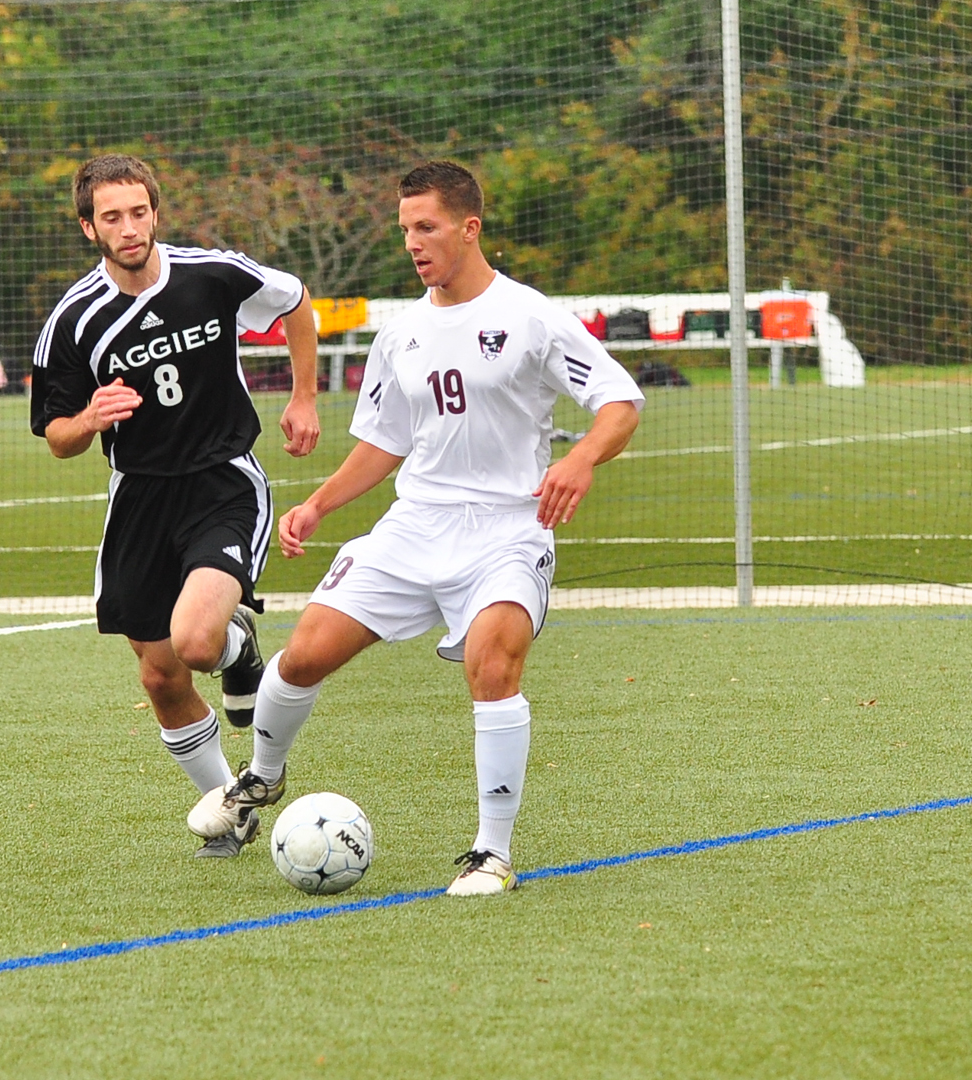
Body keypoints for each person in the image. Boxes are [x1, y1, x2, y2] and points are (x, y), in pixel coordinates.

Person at [187, 161, 645, 895]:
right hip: (413, 528)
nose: (413, 243)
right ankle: (260, 783)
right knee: (302, 656)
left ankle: (491, 853)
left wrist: (583, 459)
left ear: (470, 227)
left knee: (493, 665)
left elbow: (620, 402)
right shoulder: (400, 335)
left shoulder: (531, 318)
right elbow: (385, 443)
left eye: (426, 227)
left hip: (506, 531)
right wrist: (320, 506)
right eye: (404, 230)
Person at [31, 153, 321, 858]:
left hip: (221, 481)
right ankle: (235, 803)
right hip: (138, 498)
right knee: (161, 673)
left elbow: (296, 301)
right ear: (88, 228)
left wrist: (305, 396)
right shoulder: (72, 321)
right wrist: (92, 418)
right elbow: (56, 437)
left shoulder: (212, 274)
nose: (129, 228)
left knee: (195, 642)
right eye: (111, 217)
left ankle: (234, 643)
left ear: (154, 212)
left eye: (138, 212)